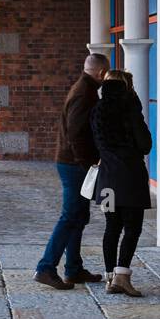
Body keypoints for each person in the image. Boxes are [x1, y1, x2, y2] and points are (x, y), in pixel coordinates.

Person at [33, 52, 108, 290]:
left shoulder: (83, 89)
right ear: (101, 72)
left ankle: (74, 269)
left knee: (78, 217)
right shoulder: (84, 94)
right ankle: (46, 267)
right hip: (74, 165)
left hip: (73, 163)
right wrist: (87, 163)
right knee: (69, 217)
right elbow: (76, 133)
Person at [91, 68, 152, 296]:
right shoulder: (130, 111)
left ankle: (109, 278)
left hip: (107, 178)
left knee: (111, 226)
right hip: (131, 179)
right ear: (127, 87)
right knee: (132, 228)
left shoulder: (97, 110)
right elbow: (145, 144)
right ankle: (122, 277)